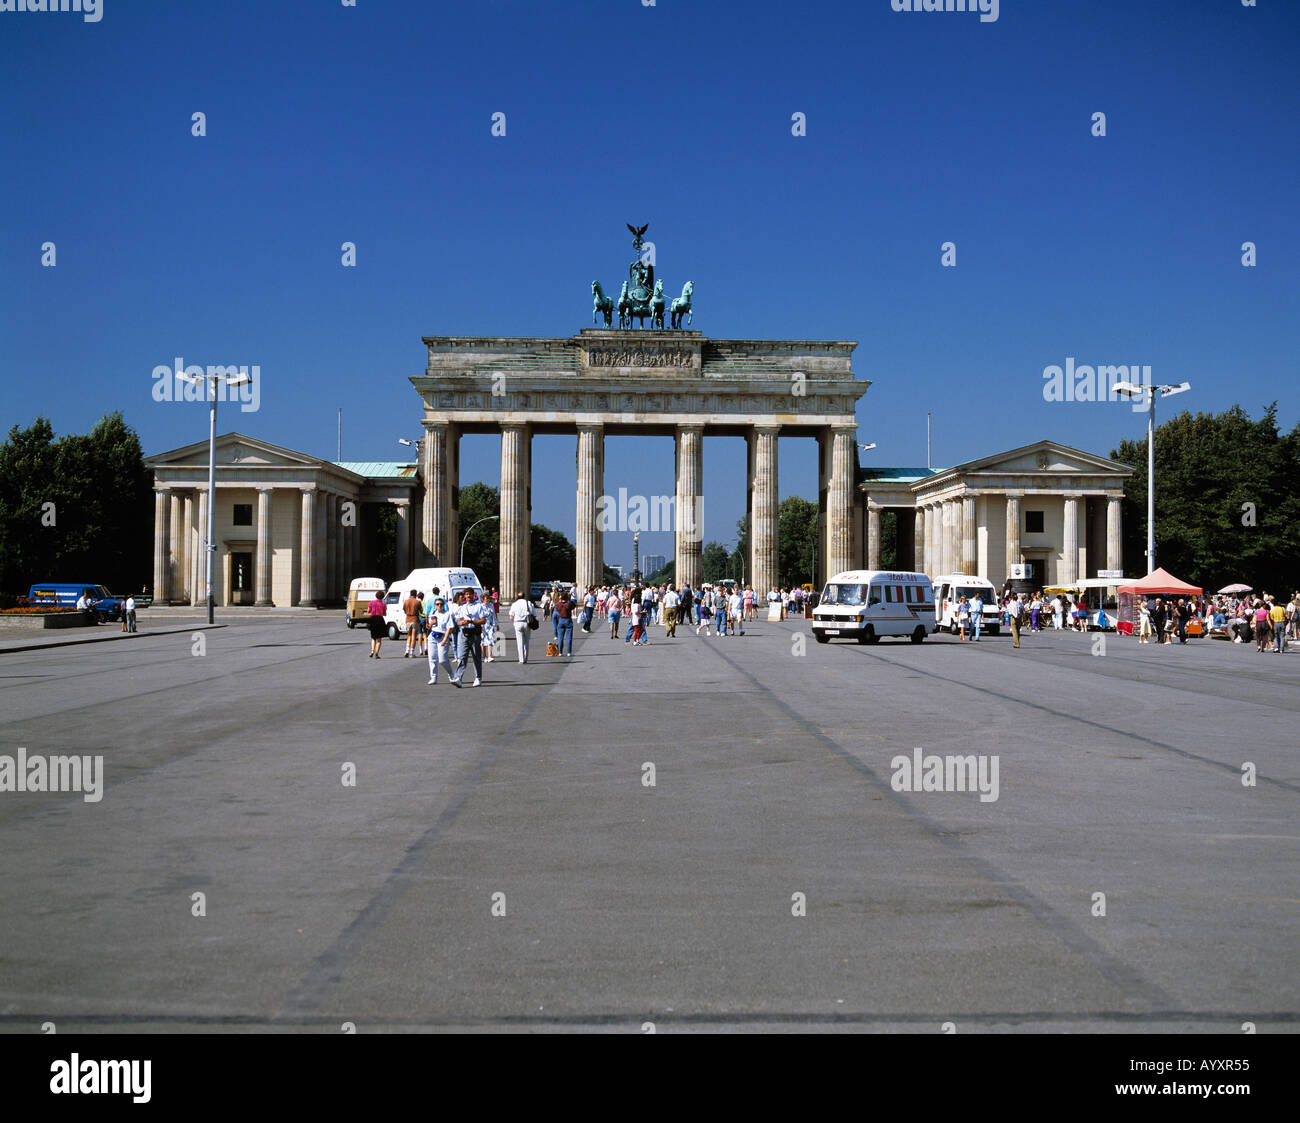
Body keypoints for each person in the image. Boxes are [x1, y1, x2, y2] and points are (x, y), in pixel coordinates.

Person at [451, 589, 488, 685]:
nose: (468, 596)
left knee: (476, 656)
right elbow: (458, 621)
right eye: (466, 595)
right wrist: (462, 623)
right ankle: (458, 678)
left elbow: (483, 620)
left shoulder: (478, 606)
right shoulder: (462, 607)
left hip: (475, 633)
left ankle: (478, 677)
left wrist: (471, 621)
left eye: (469, 594)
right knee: (462, 656)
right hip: (464, 633)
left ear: (473, 595)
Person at [426, 595, 455, 684]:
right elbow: (429, 627)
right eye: (437, 604)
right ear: (435, 605)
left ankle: (451, 674)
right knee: (432, 658)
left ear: (443, 605)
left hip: (442, 636)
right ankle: (433, 677)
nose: (439, 606)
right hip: (433, 636)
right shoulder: (433, 613)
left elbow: (449, 628)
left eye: (441, 604)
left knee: (442, 659)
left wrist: (445, 640)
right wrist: (430, 624)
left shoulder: (447, 614)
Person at [509, 590, 534, 663]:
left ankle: (521, 659)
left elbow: (511, 616)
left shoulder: (514, 604)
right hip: (527, 623)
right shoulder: (528, 603)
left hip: (518, 623)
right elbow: (534, 614)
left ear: (517, 597)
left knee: (520, 642)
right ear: (524, 596)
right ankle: (526, 658)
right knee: (526, 641)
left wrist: (515, 621)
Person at [366, 588, 387, 657]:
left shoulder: (371, 603)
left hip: (372, 619)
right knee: (379, 638)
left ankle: (372, 651)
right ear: (383, 597)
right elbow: (384, 613)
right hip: (380, 619)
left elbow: (368, 611)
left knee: (373, 637)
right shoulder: (383, 604)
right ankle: (377, 653)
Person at [554, 589, 574, 656]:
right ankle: (569, 652)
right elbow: (573, 605)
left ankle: (560, 652)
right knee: (569, 637)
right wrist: (569, 599)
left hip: (561, 620)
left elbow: (556, 608)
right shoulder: (569, 604)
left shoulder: (557, 604)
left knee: (560, 637)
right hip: (568, 620)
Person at [402, 589, 421, 657]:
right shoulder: (417, 602)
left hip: (408, 619)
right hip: (415, 619)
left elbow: (404, 609)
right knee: (413, 636)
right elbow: (421, 611)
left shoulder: (406, 601)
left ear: (410, 594)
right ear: (416, 594)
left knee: (409, 635)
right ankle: (412, 652)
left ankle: (407, 650)